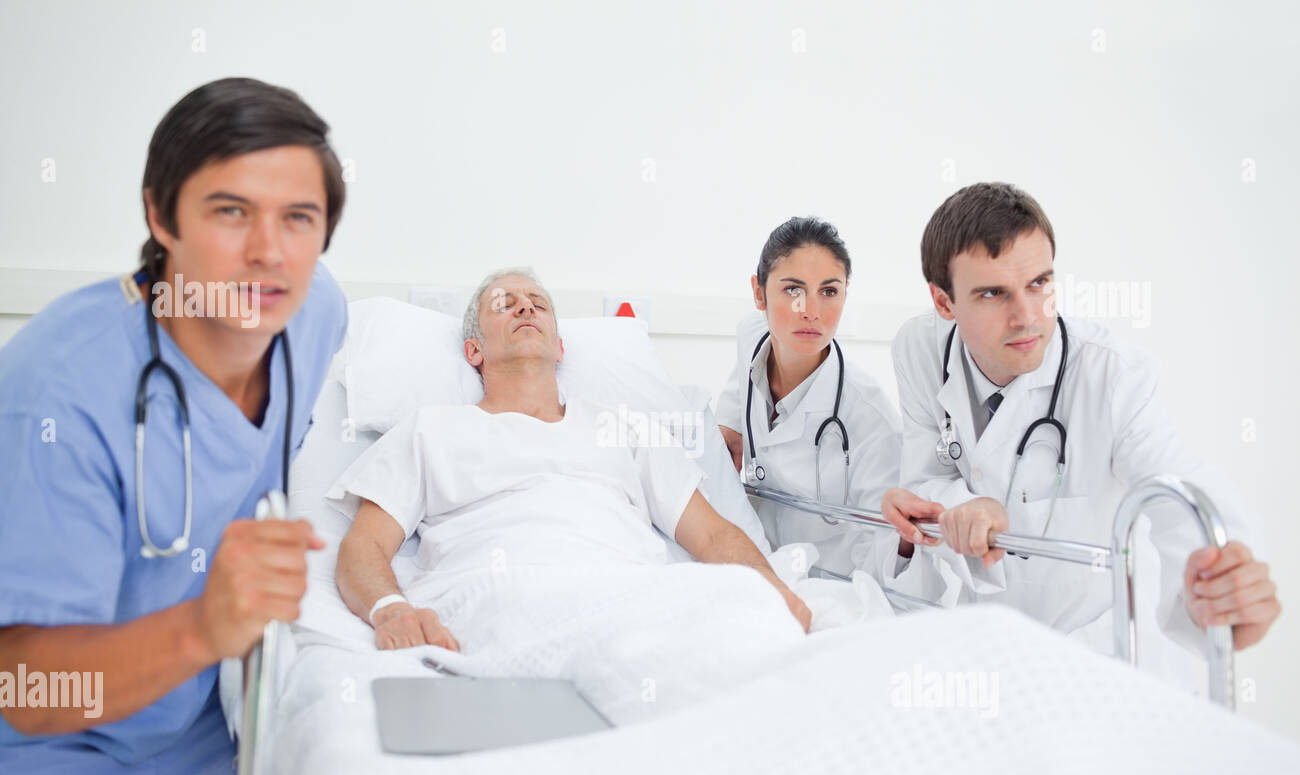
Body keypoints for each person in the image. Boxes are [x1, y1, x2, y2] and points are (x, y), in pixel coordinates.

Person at [0, 78, 350, 775]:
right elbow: (22, 689)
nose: (269, 250)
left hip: (194, 733)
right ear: (161, 215)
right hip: (50, 753)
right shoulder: (58, 393)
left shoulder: (315, 314)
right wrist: (202, 628)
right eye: (231, 211)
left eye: (299, 218)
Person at [877, 182, 1279, 669]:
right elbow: (922, 478)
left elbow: (1178, 491)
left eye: (1039, 284)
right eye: (992, 293)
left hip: (1105, 650)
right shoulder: (919, 350)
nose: (1027, 317)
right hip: (992, 642)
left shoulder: (1113, 376)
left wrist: (1224, 581)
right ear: (944, 303)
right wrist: (966, 505)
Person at [333, 268, 813, 649]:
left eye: (538, 304)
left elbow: (710, 533)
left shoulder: (624, 428)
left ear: (559, 346)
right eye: (505, 304)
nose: (525, 306)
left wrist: (770, 592)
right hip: (494, 602)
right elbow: (363, 546)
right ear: (473, 349)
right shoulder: (429, 430)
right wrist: (390, 609)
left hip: (634, 609)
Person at [715, 217, 902, 577]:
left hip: (830, 587)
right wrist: (730, 422)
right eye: (792, 290)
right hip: (753, 569)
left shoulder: (871, 419)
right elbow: (743, 372)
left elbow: (887, 555)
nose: (811, 311)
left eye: (829, 291)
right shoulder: (752, 338)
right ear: (759, 292)